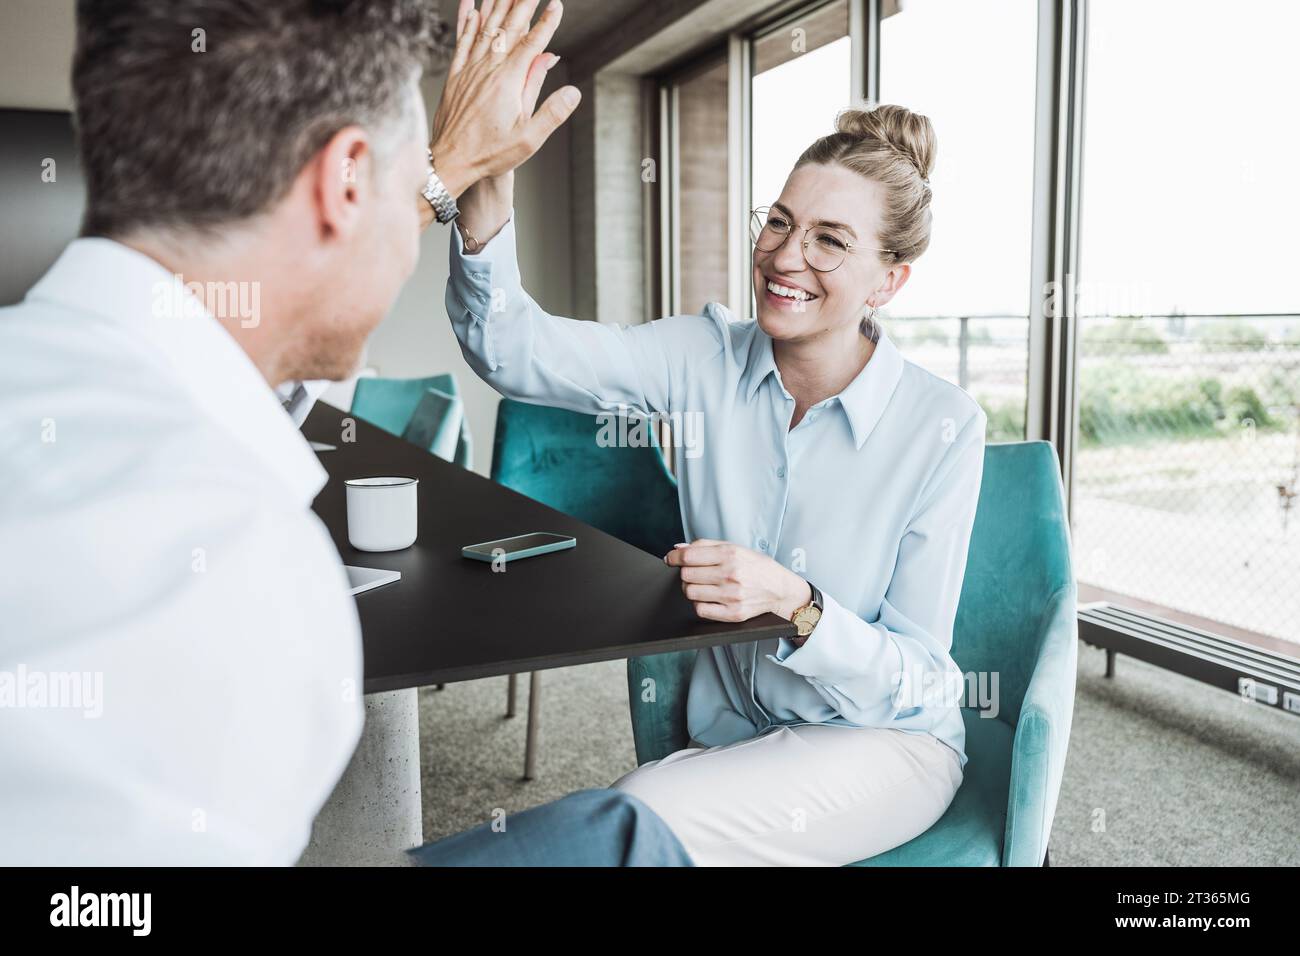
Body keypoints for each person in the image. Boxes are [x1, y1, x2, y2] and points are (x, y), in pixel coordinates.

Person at [0, 0, 691, 867]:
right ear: (346, 182)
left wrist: (439, 174)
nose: (418, 214)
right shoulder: (236, 568)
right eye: (412, 185)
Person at [442, 13, 985, 860]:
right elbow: (514, 350)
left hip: (882, 745)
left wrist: (799, 607)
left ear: (890, 280)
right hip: (734, 733)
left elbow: (920, 681)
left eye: (830, 241)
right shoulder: (703, 356)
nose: (784, 256)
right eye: (780, 221)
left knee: (635, 817)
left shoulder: (940, 426)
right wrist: (482, 184)